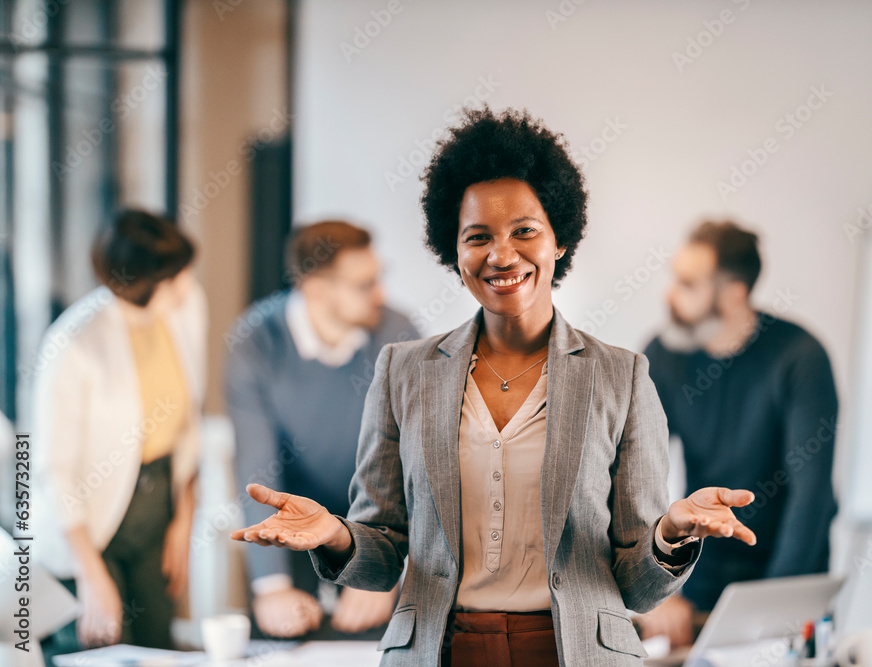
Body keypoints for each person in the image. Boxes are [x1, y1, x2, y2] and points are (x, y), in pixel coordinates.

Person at [231, 107, 758, 666]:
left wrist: (670, 533)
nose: (501, 255)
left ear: (559, 240)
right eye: (478, 237)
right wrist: (334, 534)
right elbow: (381, 559)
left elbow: (637, 586)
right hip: (442, 651)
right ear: (455, 252)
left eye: (524, 231)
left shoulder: (621, 376)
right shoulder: (403, 371)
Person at [634, 221, 838, 645]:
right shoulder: (664, 355)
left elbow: (812, 496)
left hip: (789, 575)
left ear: (733, 294)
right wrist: (655, 587)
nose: (670, 295)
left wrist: (772, 612)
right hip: (702, 575)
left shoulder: (799, 357)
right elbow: (633, 476)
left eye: (688, 284)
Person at [225, 221, 420, 639]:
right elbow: (257, 465)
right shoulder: (256, 341)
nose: (380, 294)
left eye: (379, 277)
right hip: (290, 519)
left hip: (375, 521)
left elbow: (415, 462)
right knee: (282, 636)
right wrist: (272, 588)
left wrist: (387, 564)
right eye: (364, 285)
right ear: (315, 288)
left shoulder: (400, 334)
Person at [35, 210, 205, 659]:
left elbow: (190, 428)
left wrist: (183, 520)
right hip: (88, 523)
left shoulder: (185, 310)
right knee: (105, 651)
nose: (188, 283)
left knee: (158, 647)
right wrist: (90, 575)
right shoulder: (73, 343)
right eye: (177, 276)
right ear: (150, 283)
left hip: (158, 501)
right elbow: (56, 471)